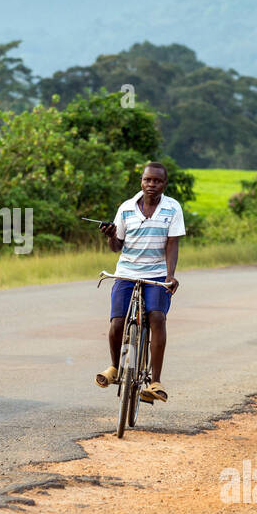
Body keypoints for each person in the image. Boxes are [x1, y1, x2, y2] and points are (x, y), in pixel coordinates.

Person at [95, 162, 184, 402]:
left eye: (157, 181)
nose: (151, 185)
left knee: (157, 317)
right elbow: (117, 247)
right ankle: (114, 368)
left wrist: (170, 274)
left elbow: (172, 243)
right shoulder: (125, 209)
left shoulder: (172, 208)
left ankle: (155, 382)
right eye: (147, 180)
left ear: (164, 184)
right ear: (141, 182)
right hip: (127, 272)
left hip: (156, 274)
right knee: (117, 322)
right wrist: (111, 235)